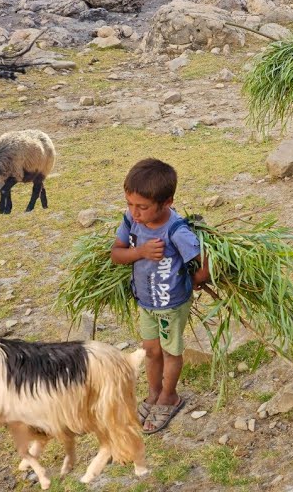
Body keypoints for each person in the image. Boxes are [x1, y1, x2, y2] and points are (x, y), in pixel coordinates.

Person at [110, 158, 209, 434]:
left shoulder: (176, 231)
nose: (134, 212)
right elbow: (116, 253)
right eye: (130, 204)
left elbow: (203, 262)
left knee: (170, 351)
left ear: (167, 202)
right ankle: (154, 393)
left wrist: (195, 281)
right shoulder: (131, 221)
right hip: (146, 302)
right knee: (151, 351)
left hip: (171, 305)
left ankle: (170, 396)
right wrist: (140, 252)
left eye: (142, 207)